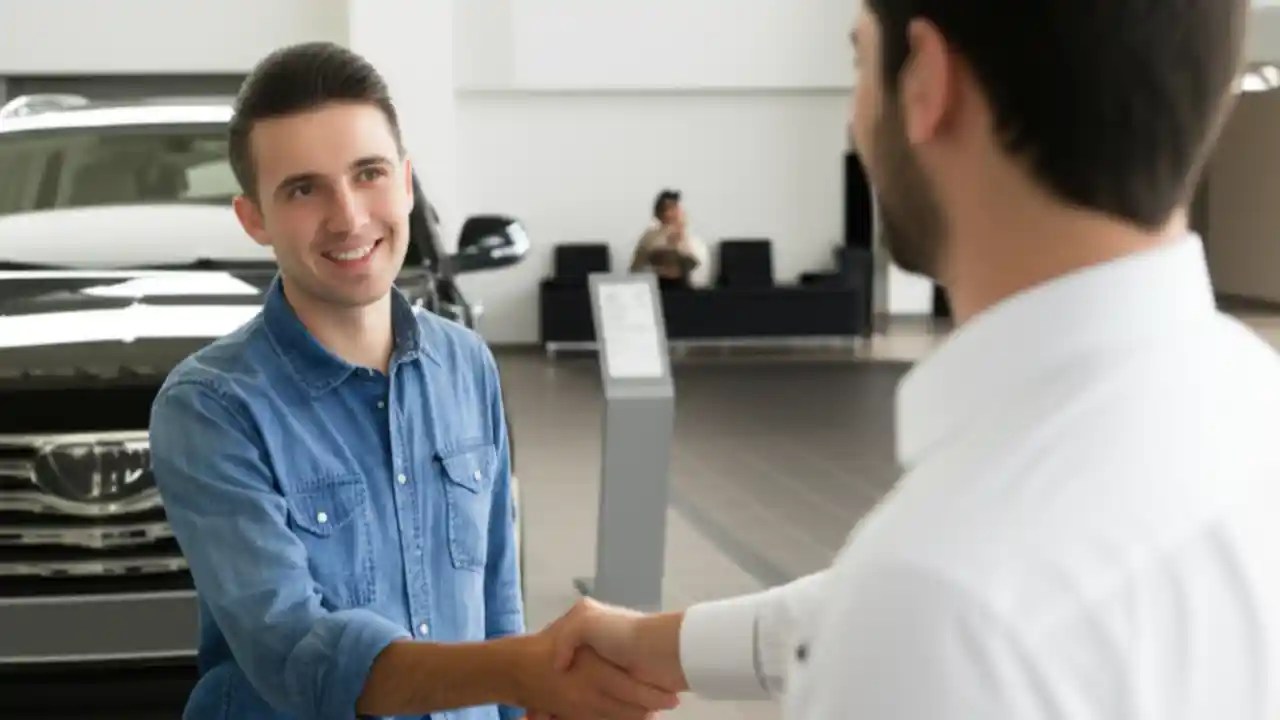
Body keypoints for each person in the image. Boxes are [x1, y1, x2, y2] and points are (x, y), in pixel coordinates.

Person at [542, 1, 1280, 719]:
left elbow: (925, 610)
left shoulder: (943, 598)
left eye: (861, 60)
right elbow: (892, 606)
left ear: (926, 82)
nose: (853, 116)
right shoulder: (1251, 395)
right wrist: (659, 644)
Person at [148, 42, 678, 720]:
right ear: (254, 218)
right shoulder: (212, 406)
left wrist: (525, 690)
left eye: (368, 174)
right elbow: (295, 653)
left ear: (404, 180)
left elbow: (496, 596)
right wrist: (526, 670)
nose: (348, 216)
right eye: (304, 189)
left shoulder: (466, 365)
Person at [629, 189, 710, 289]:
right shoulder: (649, 237)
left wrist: (681, 240)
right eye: (666, 209)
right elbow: (635, 269)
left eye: (675, 208)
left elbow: (699, 269)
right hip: (657, 286)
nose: (671, 214)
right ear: (658, 213)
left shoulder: (693, 241)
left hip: (683, 288)